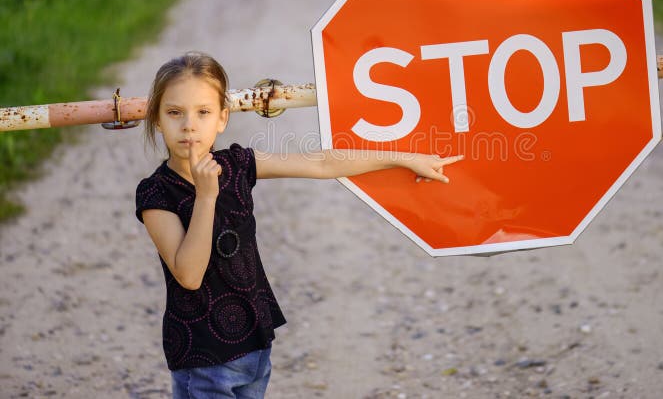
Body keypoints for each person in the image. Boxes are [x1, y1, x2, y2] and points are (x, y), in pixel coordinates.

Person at [134, 51, 462, 398]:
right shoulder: (156, 193)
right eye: (175, 112)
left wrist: (402, 158)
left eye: (203, 112)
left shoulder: (237, 165)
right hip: (204, 357)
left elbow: (321, 163)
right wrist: (206, 197)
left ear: (222, 118)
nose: (189, 125)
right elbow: (189, 274)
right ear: (158, 120)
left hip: (254, 345)